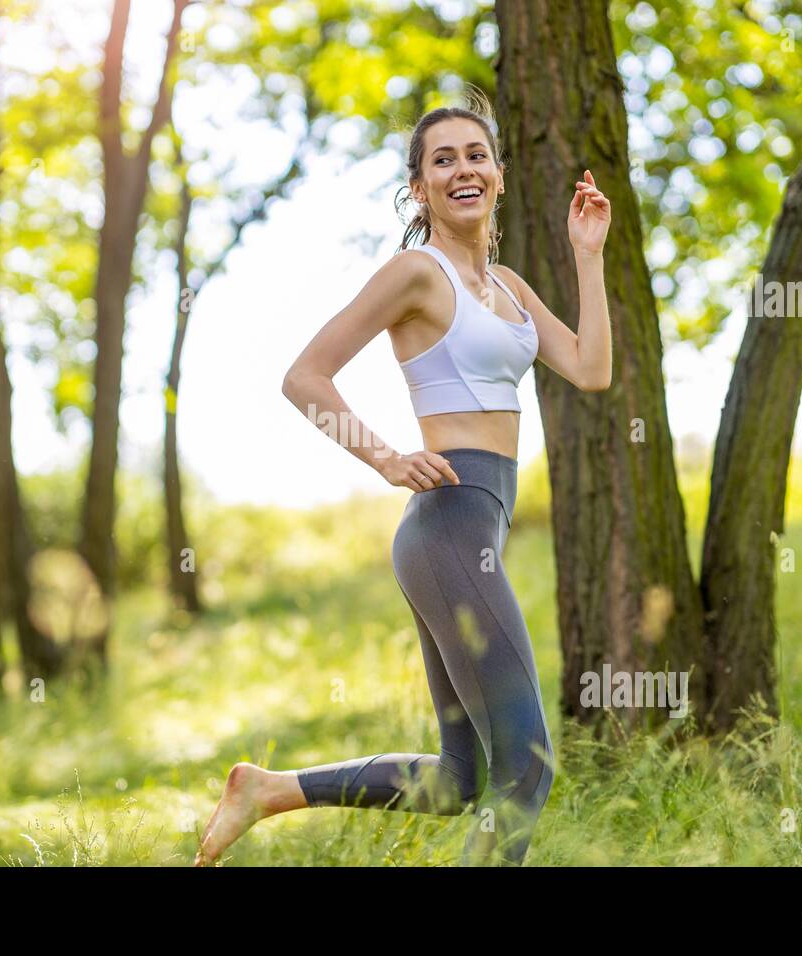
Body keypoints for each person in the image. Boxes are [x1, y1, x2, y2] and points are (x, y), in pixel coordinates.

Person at [196, 92, 612, 866]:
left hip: (469, 530)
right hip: (447, 524)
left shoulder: (512, 287)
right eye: (442, 159)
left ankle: (267, 790)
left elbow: (590, 370)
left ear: (498, 172)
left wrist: (588, 254)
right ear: (419, 188)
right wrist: (385, 457)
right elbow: (305, 376)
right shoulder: (417, 273)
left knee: (463, 780)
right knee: (527, 769)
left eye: (476, 154)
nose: (463, 169)